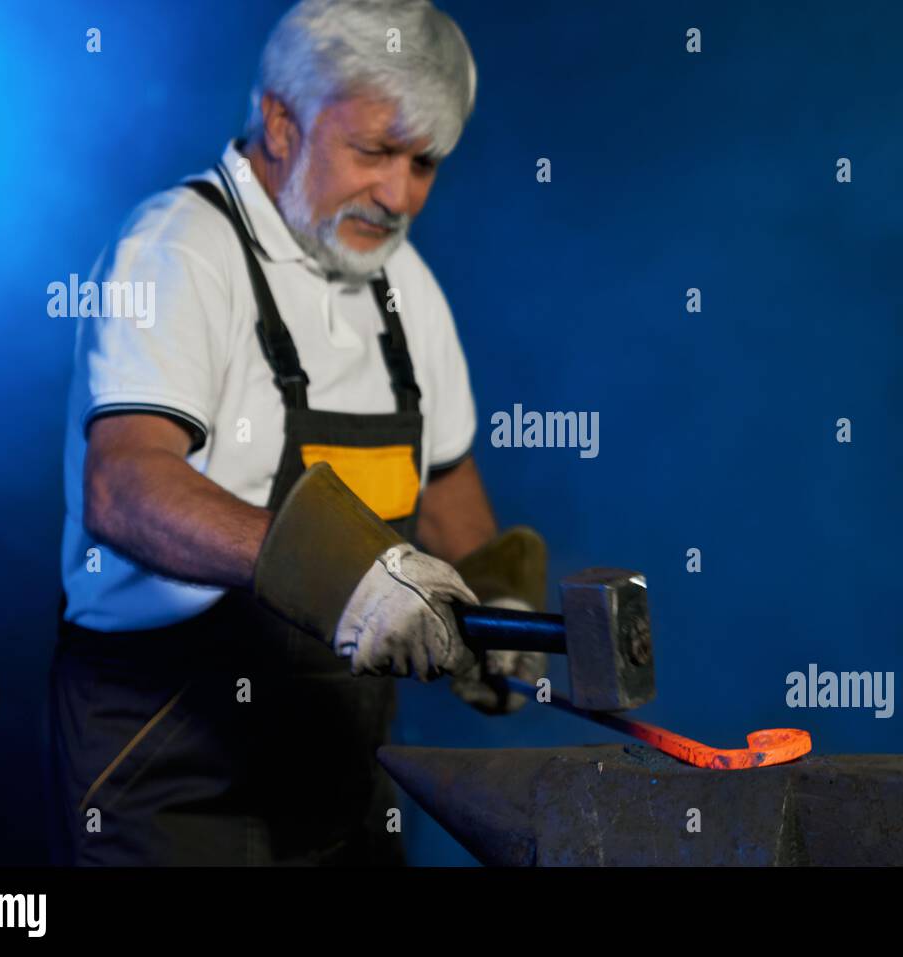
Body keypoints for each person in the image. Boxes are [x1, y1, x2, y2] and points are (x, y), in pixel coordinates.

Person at [48, 0, 547, 866]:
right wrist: (342, 574)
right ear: (282, 121)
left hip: (338, 769)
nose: (398, 195)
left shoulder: (404, 287)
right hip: (170, 766)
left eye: (424, 162)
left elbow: (448, 481)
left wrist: (495, 613)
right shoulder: (179, 250)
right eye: (375, 152)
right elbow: (123, 484)